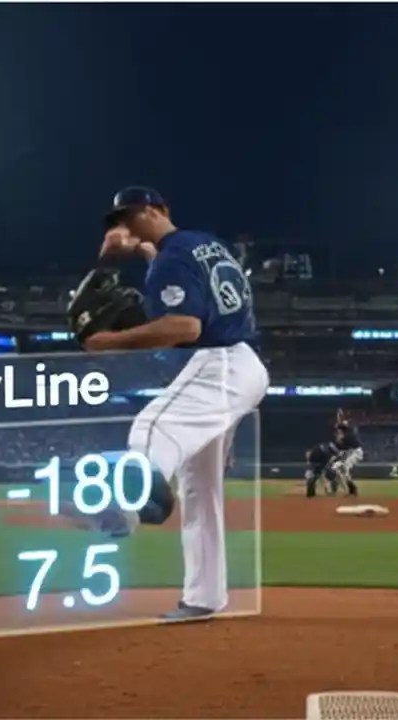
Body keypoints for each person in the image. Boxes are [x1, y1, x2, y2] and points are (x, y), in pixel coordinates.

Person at [82, 186, 268, 622]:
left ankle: (127, 505)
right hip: (241, 364)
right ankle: (204, 596)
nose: (128, 225)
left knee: (152, 426)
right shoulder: (204, 243)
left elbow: (185, 325)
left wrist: (111, 342)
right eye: (121, 220)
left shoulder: (172, 258)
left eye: (134, 216)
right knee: (200, 488)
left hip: (219, 360)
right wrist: (139, 249)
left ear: (158, 209)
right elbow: (179, 269)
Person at [330, 408, 362, 496]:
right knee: (340, 469)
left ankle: (352, 489)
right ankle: (349, 488)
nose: (337, 433)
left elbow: (343, 426)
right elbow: (342, 449)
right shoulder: (342, 438)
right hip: (350, 453)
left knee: (344, 468)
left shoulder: (348, 432)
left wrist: (339, 422)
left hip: (356, 452)